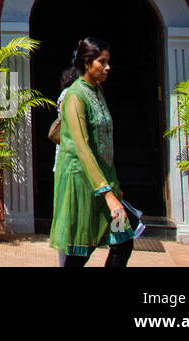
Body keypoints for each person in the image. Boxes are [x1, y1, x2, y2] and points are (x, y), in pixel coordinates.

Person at [49, 37, 135, 266]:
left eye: (108, 61)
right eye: (102, 61)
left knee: (123, 241)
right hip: (83, 187)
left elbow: (105, 144)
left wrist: (114, 186)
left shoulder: (97, 92)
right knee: (80, 252)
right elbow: (83, 147)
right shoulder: (75, 96)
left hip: (106, 185)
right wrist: (108, 194)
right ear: (87, 63)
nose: (108, 67)